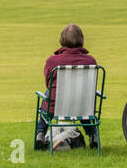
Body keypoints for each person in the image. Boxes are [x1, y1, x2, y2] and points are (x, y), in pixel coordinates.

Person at [36, 23, 99, 151]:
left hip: (56, 107)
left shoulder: (52, 61)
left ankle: (40, 132)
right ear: (81, 39)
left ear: (62, 40)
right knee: (84, 103)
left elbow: (48, 83)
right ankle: (93, 135)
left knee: (48, 94)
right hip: (83, 107)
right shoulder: (90, 61)